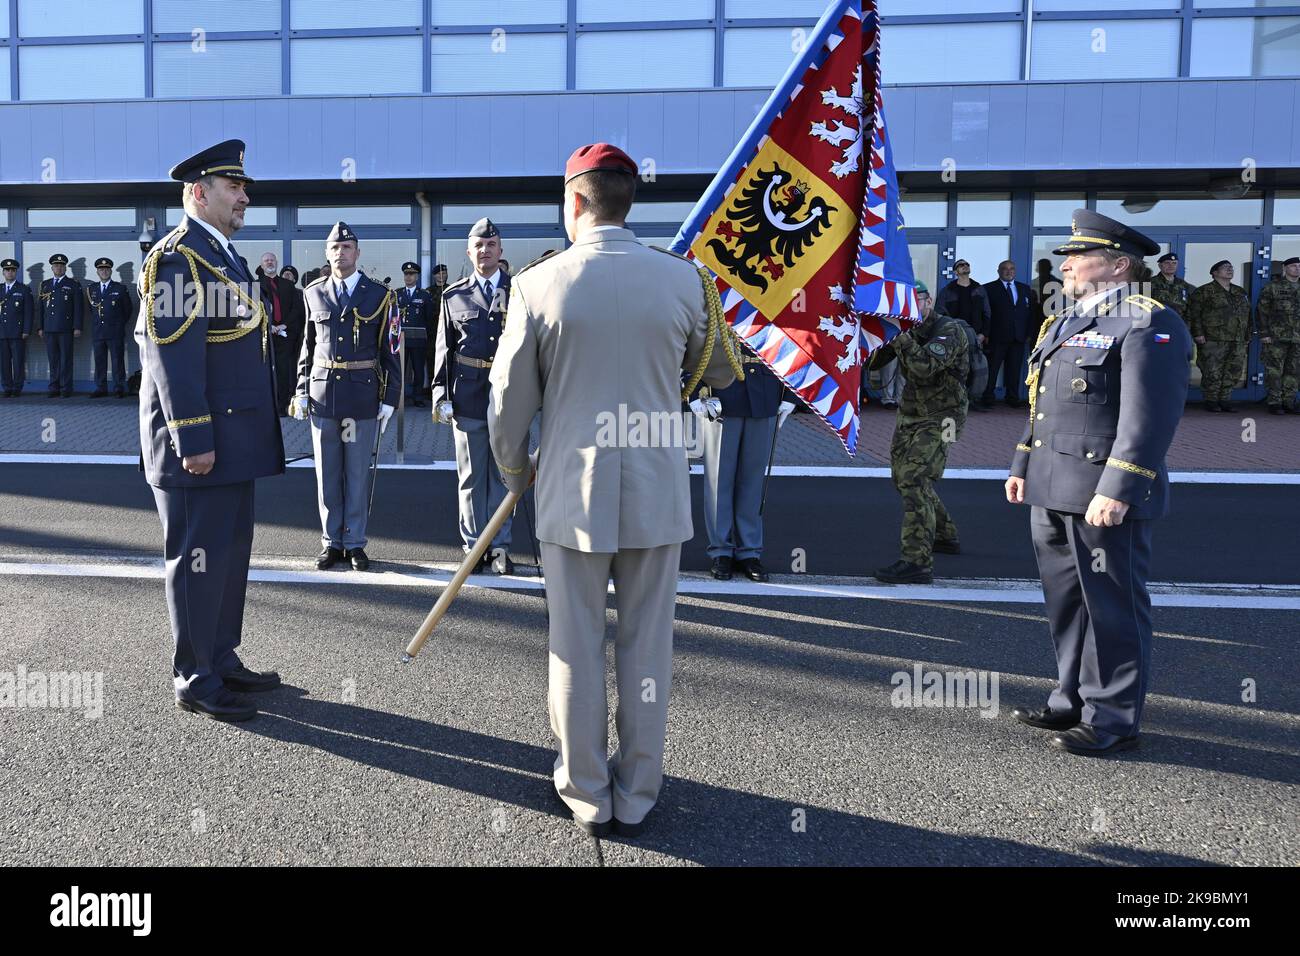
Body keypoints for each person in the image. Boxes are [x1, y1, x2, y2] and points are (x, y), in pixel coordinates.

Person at [488, 143, 735, 838]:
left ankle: (588, 790)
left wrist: (514, 470)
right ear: (630, 201)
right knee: (647, 649)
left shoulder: (539, 284)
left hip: (572, 489)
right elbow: (718, 372)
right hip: (657, 488)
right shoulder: (686, 281)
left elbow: (508, 400)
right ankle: (639, 789)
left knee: (574, 646)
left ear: (575, 202)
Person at [1006, 210, 1191, 756]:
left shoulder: (1147, 321)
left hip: (1101, 493)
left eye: (1076, 255)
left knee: (1112, 607)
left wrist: (1119, 487)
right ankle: (1071, 701)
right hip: (1052, 484)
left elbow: (1148, 419)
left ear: (1117, 266)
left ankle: (1112, 718)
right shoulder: (1064, 321)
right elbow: (1044, 405)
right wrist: (1022, 466)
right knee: (1067, 603)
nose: (1065, 263)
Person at [136, 139, 285, 723]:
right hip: (201, 444)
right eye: (234, 188)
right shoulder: (178, 258)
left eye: (243, 188)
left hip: (235, 443)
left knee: (228, 555)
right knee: (197, 559)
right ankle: (195, 676)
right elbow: (171, 358)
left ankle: (221, 658)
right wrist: (193, 440)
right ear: (199, 193)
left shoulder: (224, 256)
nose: (244, 197)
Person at [288, 222, 401, 572]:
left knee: (356, 472)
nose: (341, 253)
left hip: (362, 395)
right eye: (335, 248)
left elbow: (391, 351)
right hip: (323, 395)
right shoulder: (313, 293)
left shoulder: (380, 296)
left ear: (357, 253)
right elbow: (305, 346)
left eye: (347, 247)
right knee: (326, 471)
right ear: (327, 253)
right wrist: (302, 388)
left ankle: (354, 542)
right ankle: (330, 542)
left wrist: (389, 399)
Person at [870, 281, 969, 585]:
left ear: (929, 301)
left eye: (916, 302)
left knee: (914, 479)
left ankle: (916, 562)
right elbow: (874, 363)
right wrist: (880, 333)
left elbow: (925, 367)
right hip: (911, 413)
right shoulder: (906, 329)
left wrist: (899, 335)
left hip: (944, 416)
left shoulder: (949, 329)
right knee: (903, 478)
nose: (910, 309)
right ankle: (944, 534)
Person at [432, 220, 514, 574]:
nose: (485, 250)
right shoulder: (454, 294)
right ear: (469, 252)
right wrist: (440, 394)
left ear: (500, 250)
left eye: (491, 244)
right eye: (479, 245)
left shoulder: (520, 290)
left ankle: (499, 547)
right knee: (470, 477)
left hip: (509, 396)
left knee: (504, 477)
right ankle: (473, 546)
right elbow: (443, 351)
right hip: (467, 393)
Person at [693, 353, 794, 582]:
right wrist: (693, 388)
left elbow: (791, 342)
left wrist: (790, 394)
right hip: (720, 393)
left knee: (753, 480)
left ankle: (749, 551)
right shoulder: (716, 313)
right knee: (720, 478)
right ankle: (721, 550)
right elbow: (697, 341)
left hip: (766, 392)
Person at [1186, 259, 1251, 412]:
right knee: (1212, 371)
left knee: (1233, 370)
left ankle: (1225, 399)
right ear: (1214, 273)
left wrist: (1247, 334)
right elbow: (1194, 314)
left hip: (1237, 338)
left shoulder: (1240, 292)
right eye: (1225, 268)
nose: (1230, 270)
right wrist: (1198, 333)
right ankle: (1211, 400)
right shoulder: (1204, 291)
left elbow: (1247, 314)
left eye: (1231, 268)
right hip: (1213, 338)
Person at [981, 260, 1035, 408]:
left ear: (1015, 271)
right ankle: (988, 398)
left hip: (1018, 337)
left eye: (1012, 268)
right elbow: (985, 314)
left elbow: (1030, 313)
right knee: (992, 370)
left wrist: (1028, 333)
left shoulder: (1024, 289)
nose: (1009, 271)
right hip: (996, 337)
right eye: (1005, 269)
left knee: (1014, 370)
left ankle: (1012, 398)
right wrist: (985, 333)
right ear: (998, 271)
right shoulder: (988, 289)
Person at [1255, 256, 1300, 414]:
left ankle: (1289, 401)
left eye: (1299, 266)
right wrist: (1264, 333)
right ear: (1285, 268)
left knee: (1294, 371)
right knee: (1274, 370)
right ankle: (1275, 402)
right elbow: (1262, 311)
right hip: (1276, 337)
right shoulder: (1273, 287)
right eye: (1293, 266)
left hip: (1297, 338)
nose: (1297, 268)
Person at [86, 257, 134, 398]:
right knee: (99, 361)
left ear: (111, 271)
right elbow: (91, 310)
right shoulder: (92, 289)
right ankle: (101, 388)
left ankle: (118, 387)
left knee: (117, 361)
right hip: (98, 332)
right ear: (97, 272)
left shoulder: (120, 288)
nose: (104, 271)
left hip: (115, 331)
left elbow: (128, 309)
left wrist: (118, 323)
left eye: (107, 269)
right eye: (101, 269)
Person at [37, 253, 83, 398]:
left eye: (61, 266)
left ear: (65, 268)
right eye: (56, 265)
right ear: (52, 268)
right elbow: (40, 308)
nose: (59, 268)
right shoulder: (45, 285)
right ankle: (54, 387)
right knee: (53, 360)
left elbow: (78, 308)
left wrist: (77, 327)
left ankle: (65, 388)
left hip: (65, 328)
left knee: (66, 359)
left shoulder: (73, 284)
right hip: (49, 329)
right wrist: (40, 327)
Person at [397, 261, 434, 407]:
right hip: (401, 339)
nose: (408, 277)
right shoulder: (397, 294)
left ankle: (418, 397)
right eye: (406, 274)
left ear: (417, 276)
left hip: (418, 340)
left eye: (411, 274)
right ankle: (399, 397)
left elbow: (429, 318)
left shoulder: (424, 295)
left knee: (418, 369)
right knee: (399, 370)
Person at [1, 258, 34, 398]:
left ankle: (17, 387)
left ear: (16, 272)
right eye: (7, 270)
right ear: (3, 272)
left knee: (18, 361)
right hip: (1, 332)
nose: (10, 272)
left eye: (12, 270)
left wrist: (26, 330)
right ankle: (7, 387)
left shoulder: (24, 289)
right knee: (4, 362)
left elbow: (29, 312)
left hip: (17, 332)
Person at [1149, 252, 1194, 320]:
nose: (1171, 266)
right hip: (1158, 324)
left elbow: (1189, 308)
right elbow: (1142, 307)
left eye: (1174, 263)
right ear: (1160, 265)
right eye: (1167, 263)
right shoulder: (1147, 283)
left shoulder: (1183, 285)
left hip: (1179, 324)